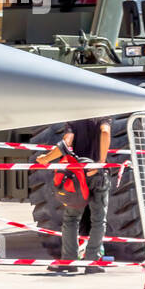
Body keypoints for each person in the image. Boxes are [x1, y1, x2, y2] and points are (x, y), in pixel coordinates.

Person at [36, 117, 112, 274]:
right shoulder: (103, 116)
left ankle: (68, 260)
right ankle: (92, 261)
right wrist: (101, 162)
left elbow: (66, 142)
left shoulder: (75, 120)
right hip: (97, 175)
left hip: (77, 176)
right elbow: (105, 132)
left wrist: (46, 158)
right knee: (98, 219)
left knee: (71, 218)